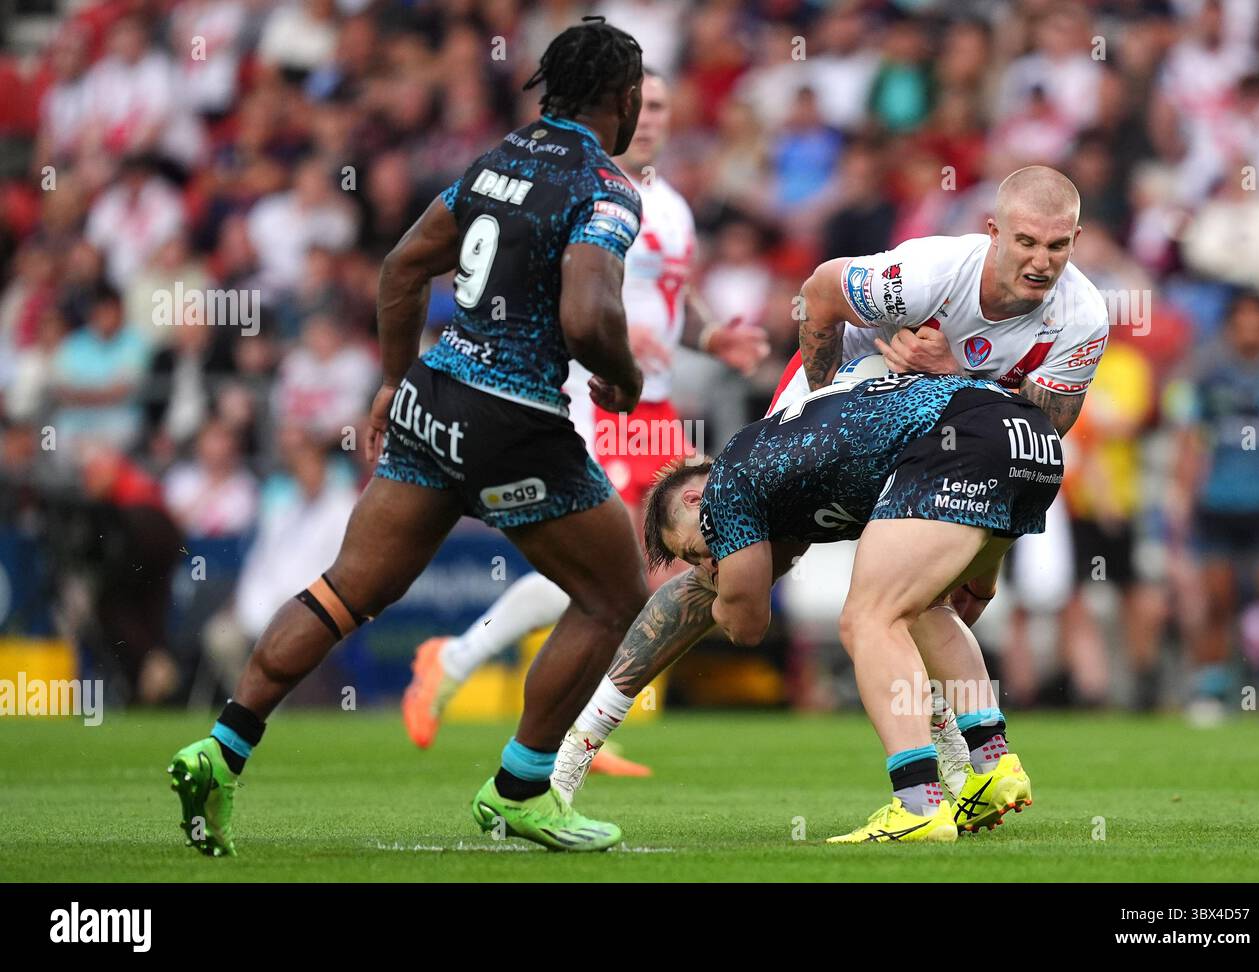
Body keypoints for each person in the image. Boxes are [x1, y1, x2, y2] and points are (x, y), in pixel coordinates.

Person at [167, 18, 651, 856]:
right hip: (514, 421)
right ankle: (521, 788)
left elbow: (400, 268)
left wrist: (391, 380)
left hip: (434, 396)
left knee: (346, 590)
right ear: (627, 99)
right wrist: (628, 376)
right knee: (616, 593)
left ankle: (223, 745)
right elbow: (586, 312)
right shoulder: (606, 187)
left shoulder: (496, 160)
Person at [546, 166, 1109, 833]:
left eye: (1057, 246)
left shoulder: (1084, 315)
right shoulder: (932, 274)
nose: (1041, 262)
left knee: (883, 606)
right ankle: (574, 750)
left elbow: (1041, 429)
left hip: (950, 438)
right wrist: (823, 411)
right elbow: (819, 294)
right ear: (993, 232)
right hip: (850, 393)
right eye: (1025, 243)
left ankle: (940, 790)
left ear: (1076, 239)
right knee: (836, 588)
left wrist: (952, 379)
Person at [400, 68, 770, 757]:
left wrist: (710, 334)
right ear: (621, 111)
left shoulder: (675, 206)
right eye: (643, 104)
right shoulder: (589, 190)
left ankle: (557, 712)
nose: (653, 117)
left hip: (653, 403)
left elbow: (671, 297)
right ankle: (477, 675)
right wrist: (618, 340)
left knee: (656, 568)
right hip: (596, 397)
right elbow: (571, 294)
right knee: (620, 571)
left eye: (663, 105)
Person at [645, 368, 1064, 841]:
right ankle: (993, 765)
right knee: (922, 607)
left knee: (869, 618)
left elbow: (747, 624)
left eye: (693, 552)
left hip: (965, 436)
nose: (707, 567)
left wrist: (721, 605)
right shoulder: (777, 466)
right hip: (1033, 438)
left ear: (695, 496)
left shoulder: (724, 485)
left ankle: (918, 804)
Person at [1173, 291, 1259, 727]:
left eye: (1257, 319)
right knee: (1217, 602)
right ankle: (1210, 689)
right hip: (1218, 504)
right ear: (1230, 326)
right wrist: (1182, 501)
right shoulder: (1210, 377)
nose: (1249, 327)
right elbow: (1190, 441)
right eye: (1241, 319)